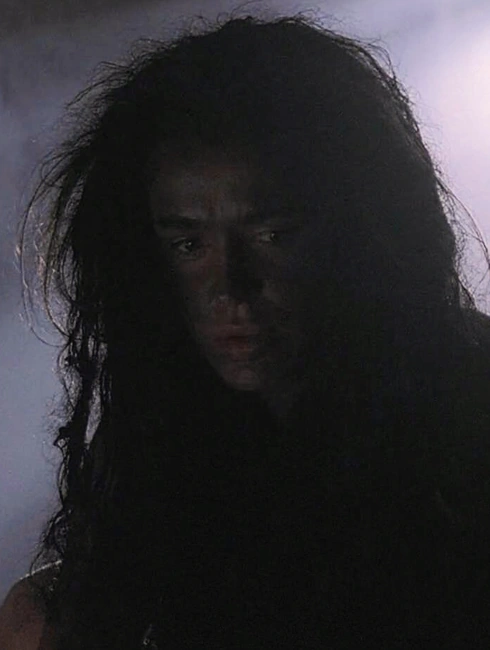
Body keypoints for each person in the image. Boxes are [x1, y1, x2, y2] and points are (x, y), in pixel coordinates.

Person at [2, 11, 490, 649]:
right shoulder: (163, 424)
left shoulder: (466, 403)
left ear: (362, 231)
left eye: (272, 235)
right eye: (189, 245)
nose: (230, 287)